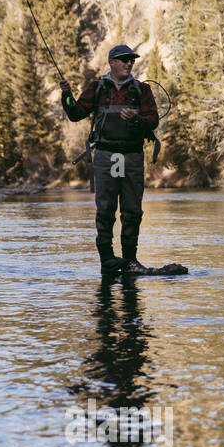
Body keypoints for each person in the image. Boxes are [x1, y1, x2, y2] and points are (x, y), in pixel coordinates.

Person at [59, 46, 159, 275]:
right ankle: (107, 261)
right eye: (124, 60)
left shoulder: (142, 90)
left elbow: (153, 119)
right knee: (106, 209)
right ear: (111, 62)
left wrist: (137, 118)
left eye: (131, 61)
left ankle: (130, 261)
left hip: (132, 155)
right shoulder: (98, 88)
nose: (129, 64)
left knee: (132, 211)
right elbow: (75, 114)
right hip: (107, 155)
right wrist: (66, 94)